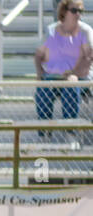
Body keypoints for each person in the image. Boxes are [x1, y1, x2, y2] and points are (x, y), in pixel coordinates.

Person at [35, 0, 93, 133]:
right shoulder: (52, 30)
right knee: (43, 89)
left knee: (70, 87)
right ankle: (44, 134)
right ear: (64, 12)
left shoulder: (86, 30)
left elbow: (88, 58)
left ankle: (70, 134)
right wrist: (40, 73)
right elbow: (40, 55)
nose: (78, 14)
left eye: (80, 11)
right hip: (56, 75)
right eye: (74, 11)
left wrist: (74, 74)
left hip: (81, 77)